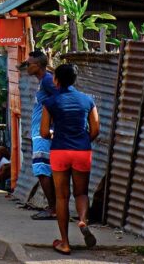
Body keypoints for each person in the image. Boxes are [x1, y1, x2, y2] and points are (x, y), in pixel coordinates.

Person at [40, 64, 100, 255]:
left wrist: (53, 134)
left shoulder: (51, 102)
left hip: (60, 151)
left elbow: (43, 132)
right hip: (82, 150)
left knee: (62, 197)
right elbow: (95, 129)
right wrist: (83, 141)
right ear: (74, 79)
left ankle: (65, 243)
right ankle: (82, 220)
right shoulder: (87, 100)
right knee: (81, 193)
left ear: (56, 80)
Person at [24, 51, 59, 221]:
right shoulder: (43, 81)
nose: (27, 66)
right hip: (41, 132)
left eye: (29, 64)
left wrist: (51, 124)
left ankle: (53, 209)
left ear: (38, 66)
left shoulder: (47, 80)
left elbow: (61, 98)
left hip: (43, 134)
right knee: (44, 169)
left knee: (42, 169)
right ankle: (53, 207)